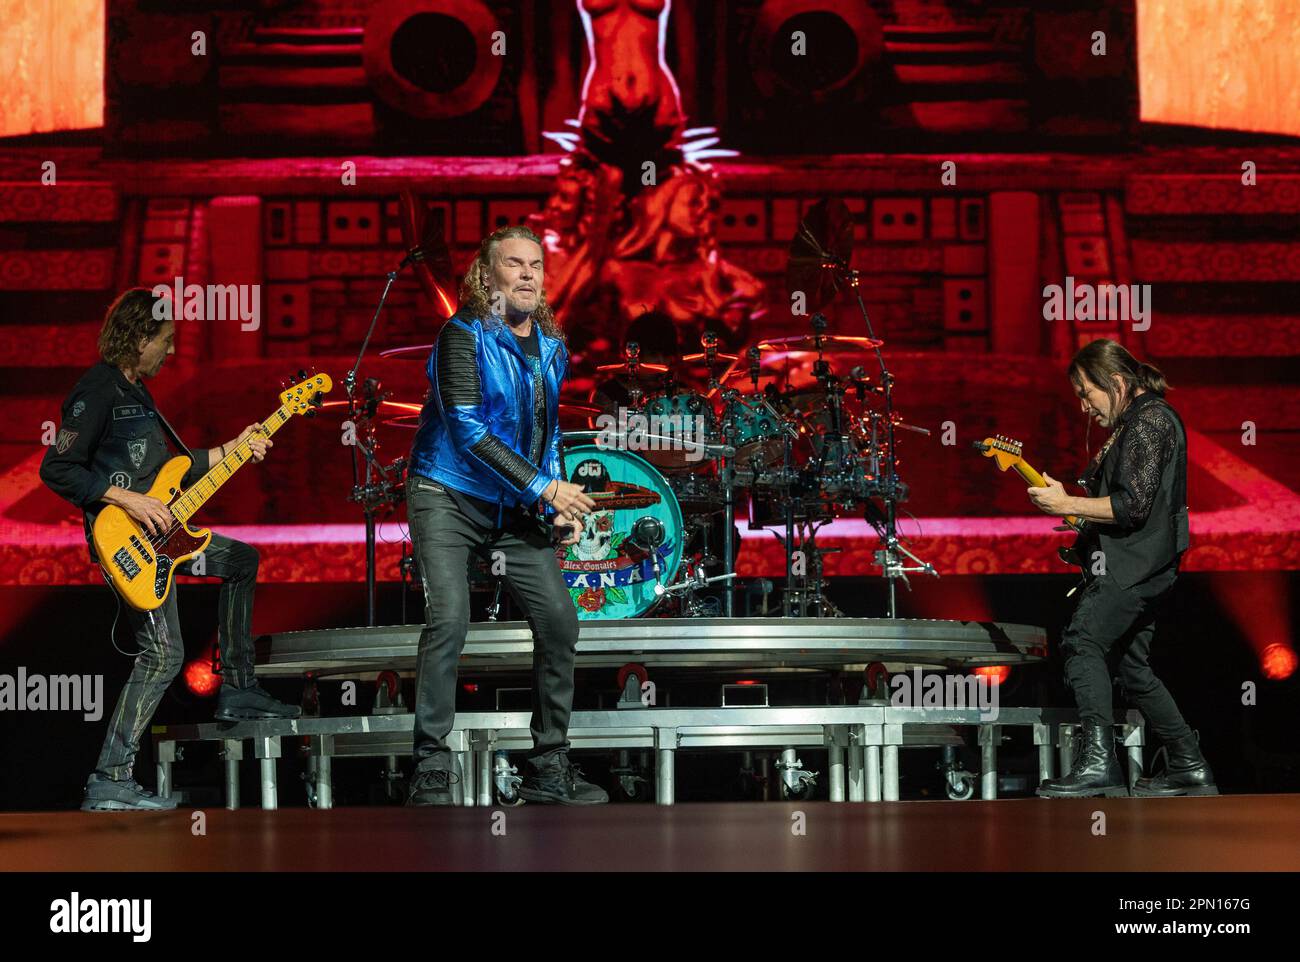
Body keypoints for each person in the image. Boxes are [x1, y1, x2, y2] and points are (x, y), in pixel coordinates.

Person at [40, 287, 301, 812]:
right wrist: (129, 501)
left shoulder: (138, 394)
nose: (172, 350)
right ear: (138, 339)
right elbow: (58, 469)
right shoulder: (97, 392)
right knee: (164, 654)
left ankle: (238, 687)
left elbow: (177, 469)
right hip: (127, 543)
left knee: (239, 561)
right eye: (166, 340)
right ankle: (110, 778)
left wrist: (239, 445)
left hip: (167, 540)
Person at [405, 225, 608, 806]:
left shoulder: (551, 345)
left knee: (560, 622)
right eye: (514, 264)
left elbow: (546, 434)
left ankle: (548, 762)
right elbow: (468, 430)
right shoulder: (461, 335)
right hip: (447, 493)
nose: (527, 275)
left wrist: (556, 501)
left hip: (514, 504)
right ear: (486, 276)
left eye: (536, 265)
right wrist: (546, 488)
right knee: (449, 620)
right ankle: (431, 760)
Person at [1027, 338, 1216, 798]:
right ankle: (1188, 764)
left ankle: (1098, 764)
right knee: (1133, 668)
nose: (1083, 406)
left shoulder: (1149, 421)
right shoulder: (1139, 420)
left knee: (1083, 640)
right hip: (1145, 563)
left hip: (1136, 564)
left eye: (1085, 393)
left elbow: (1133, 507)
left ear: (1114, 382)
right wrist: (1074, 514)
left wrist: (1067, 502)